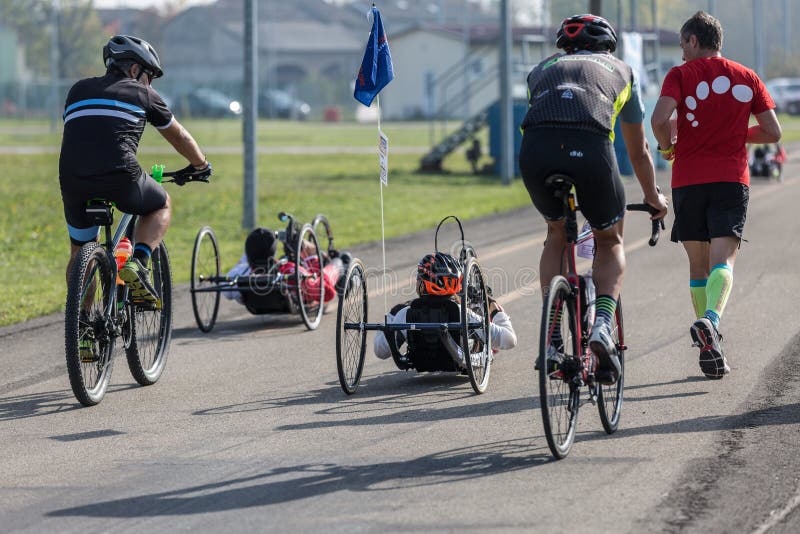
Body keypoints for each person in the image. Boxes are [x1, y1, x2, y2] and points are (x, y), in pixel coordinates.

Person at [519, 14, 668, 385]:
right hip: (589, 148)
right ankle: (602, 323)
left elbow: (543, 117)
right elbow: (638, 152)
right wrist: (653, 198)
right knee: (609, 239)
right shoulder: (622, 71)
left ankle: (552, 337)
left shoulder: (540, 70)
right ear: (607, 45)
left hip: (535, 151)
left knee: (556, 235)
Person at [651, 11, 781, 379]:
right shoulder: (747, 77)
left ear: (693, 40)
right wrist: (738, 134)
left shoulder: (680, 76)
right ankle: (711, 322)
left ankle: (708, 338)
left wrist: (666, 148)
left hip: (688, 180)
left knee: (698, 265)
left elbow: (659, 121)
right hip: (730, 179)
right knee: (724, 261)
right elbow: (772, 132)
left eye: (682, 46)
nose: (681, 56)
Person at [59, 35, 212, 304]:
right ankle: (138, 263)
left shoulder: (77, 90)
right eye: (149, 75)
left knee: (80, 253)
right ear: (133, 69)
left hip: (73, 179)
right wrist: (201, 165)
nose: (150, 83)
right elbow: (180, 137)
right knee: (161, 203)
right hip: (119, 175)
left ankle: (81, 330)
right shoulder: (143, 93)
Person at [373, 252, 517, 362]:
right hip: (460, 356)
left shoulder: (405, 314)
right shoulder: (464, 314)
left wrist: (393, 314)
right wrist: (494, 309)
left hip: (423, 360)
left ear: (422, 284)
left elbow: (381, 351)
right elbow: (509, 340)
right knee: (479, 312)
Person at [222, 227, 348, 306]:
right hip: (298, 291)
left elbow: (227, 293)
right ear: (273, 251)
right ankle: (337, 264)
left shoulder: (237, 274)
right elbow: (327, 293)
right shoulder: (288, 269)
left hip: (253, 302)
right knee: (339, 261)